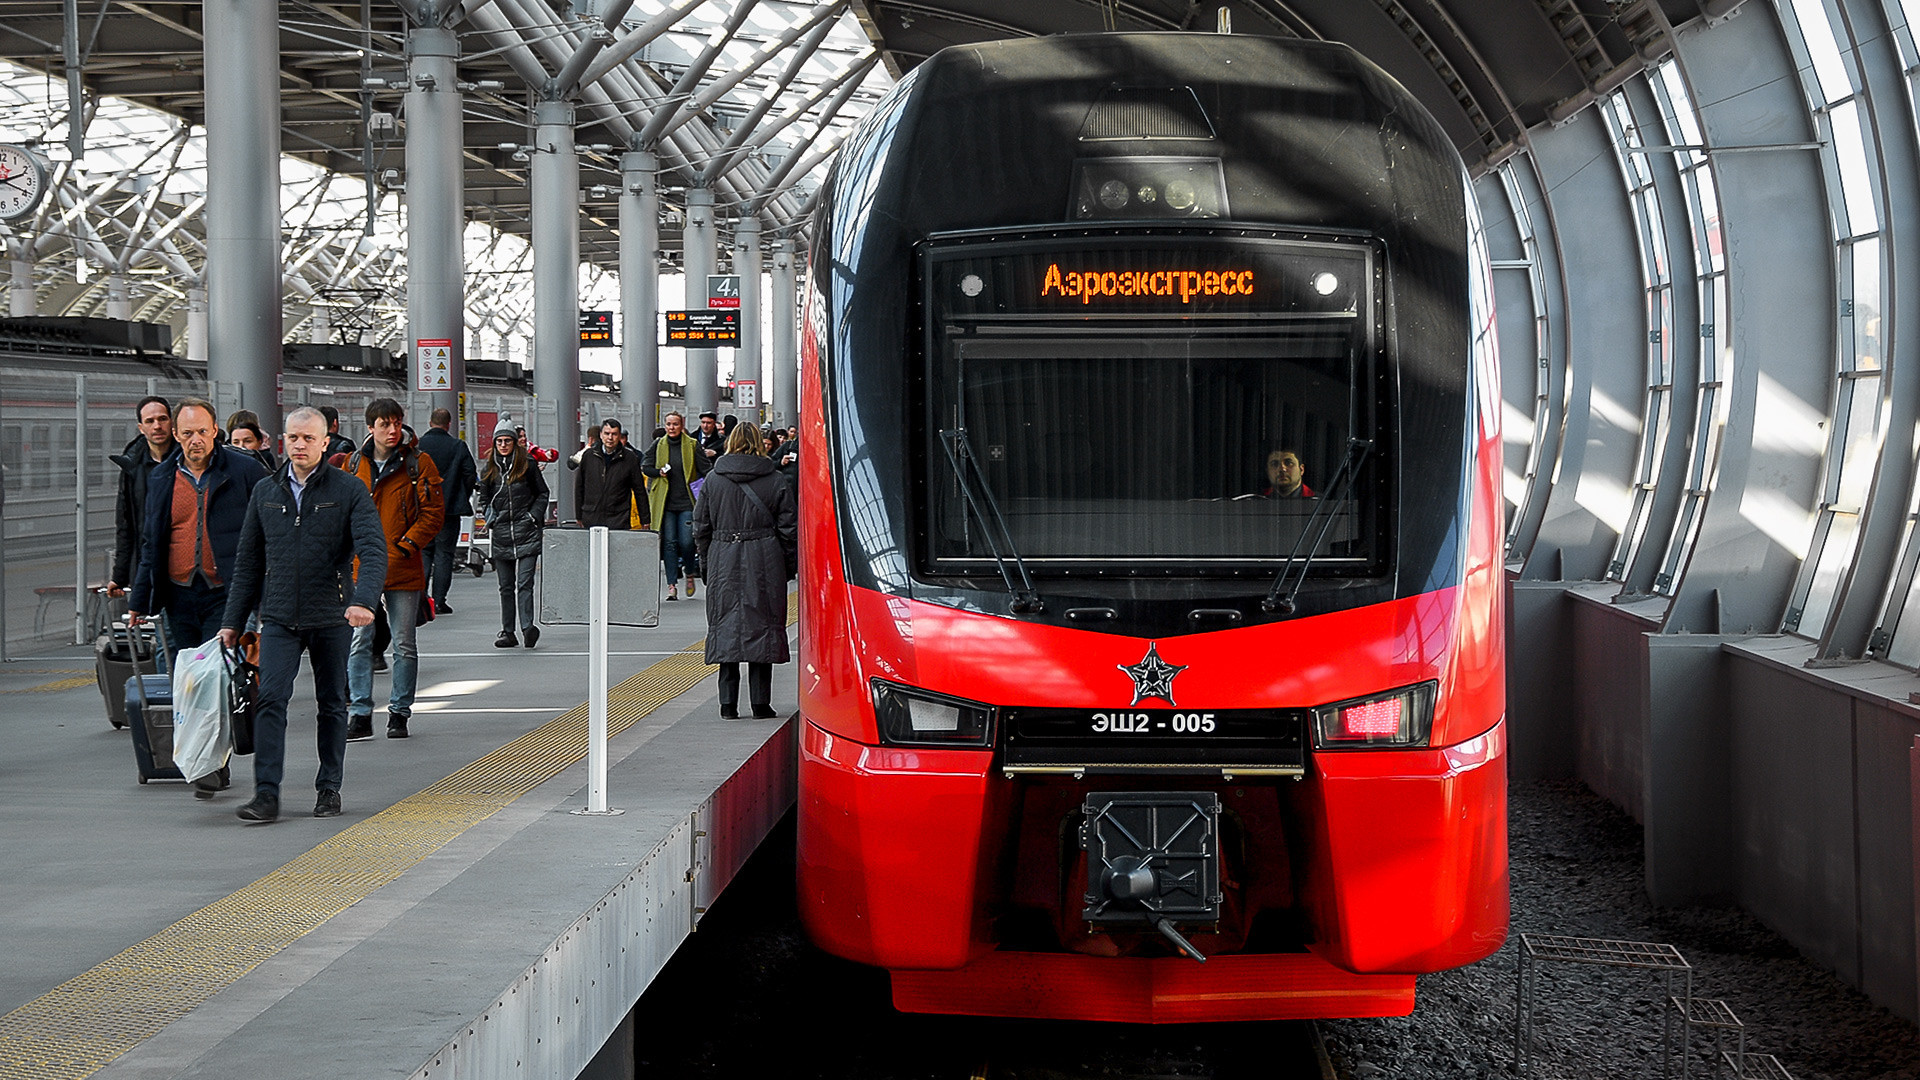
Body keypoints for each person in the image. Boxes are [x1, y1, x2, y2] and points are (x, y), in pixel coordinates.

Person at [219, 407, 386, 823]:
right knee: (271, 698)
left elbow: (373, 548)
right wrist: (233, 621)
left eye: (309, 438)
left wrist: (363, 600)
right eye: (293, 437)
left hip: (332, 613)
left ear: (325, 441)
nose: (299, 445)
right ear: (283, 441)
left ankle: (328, 787)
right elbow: (248, 563)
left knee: (331, 703)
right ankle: (266, 794)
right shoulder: (266, 491)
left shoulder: (348, 490)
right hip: (277, 615)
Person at [126, 398, 269, 798]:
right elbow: (151, 542)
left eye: (202, 432)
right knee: (184, 684)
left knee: (214, 680)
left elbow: (266, 526)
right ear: (175, 435)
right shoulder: (161, 479)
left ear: (215, 432)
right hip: (177, 594)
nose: (195, 440)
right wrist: (139, 601)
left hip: (225, 593)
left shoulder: (244, 470)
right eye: (186, 433)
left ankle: (212, 764)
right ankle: (200, 757)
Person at [343, 398, 445, 742]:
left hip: (403, 565)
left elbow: (433, 513)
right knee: (360, 641)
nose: (392, 430)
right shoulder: (352, 464)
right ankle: (359, 712)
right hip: (363, 568)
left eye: (397, 424)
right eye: (385, 424)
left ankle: (399, 713)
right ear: (370, 428)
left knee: (404, 644)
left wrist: (408, 545)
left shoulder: (418, 463)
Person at [693, 423, 797, 719]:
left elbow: (701, 526)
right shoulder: (775, 479)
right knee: (761, 624)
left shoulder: (713, 479)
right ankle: (761, 703)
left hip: (723, 555)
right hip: (764, 556)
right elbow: (789, 529)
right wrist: (786, 565)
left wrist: (705, 562)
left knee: (725, 624)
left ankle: (727, 704)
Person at [475, 421, 550, 648]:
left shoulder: (527, 464)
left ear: (515, 443)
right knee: (505, 586)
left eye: (507, 441)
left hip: (526, 531)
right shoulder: (490, 469)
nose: (503, 445)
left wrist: (533, 516)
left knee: (525, 582)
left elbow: (542, 493)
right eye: (499, 441)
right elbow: (485, 499)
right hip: (501, 534)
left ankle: (528, 627)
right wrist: (490, 516)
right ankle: (508, 631)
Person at [107, 396, 177, 599]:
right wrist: (120, 575)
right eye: (150, 421)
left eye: (162, 419)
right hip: (149, 565)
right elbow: (125, 522)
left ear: (172, 422)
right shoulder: (132, 466)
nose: (157, 426)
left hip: (184, 566)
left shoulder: (187, 459)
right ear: (141, 427)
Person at [417, 408, 477, 615]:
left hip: (422, 511)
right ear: (448, 424)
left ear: (430, 422)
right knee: (444, 555)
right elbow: (470, 473)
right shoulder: (457, 445)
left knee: (424, 553)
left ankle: (420, 599)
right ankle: (440, 601)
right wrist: (460, 493)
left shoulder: (418, 446)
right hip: (448, 510)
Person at [644, 412, 710, 601]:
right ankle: (672, 585)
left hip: (687, 501)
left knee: (687, 541)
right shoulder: (658, 445)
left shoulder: (692, 445)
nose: (671, 428)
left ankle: (689, 572)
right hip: (665, 503)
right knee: (670, 543)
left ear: (682, 425)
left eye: (675, 424)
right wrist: (658, 472)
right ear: (664, 426)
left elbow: (705, 469)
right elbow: (645, 466)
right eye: (668, 424)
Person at [575, 417, 650, 531]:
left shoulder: (630, 458)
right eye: (607, 433)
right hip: (591, 516)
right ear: (601, 435)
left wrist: (645, 519)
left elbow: (639, 490)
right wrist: (579, 515)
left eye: (614, 434)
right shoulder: (589, 456)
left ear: (620, 436)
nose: (610, 438)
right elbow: (580, 486)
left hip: (619, 518)